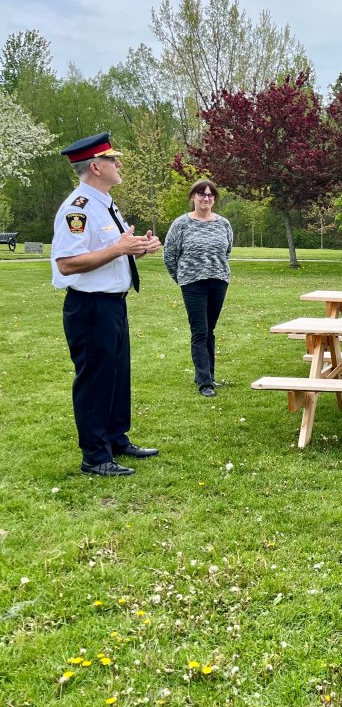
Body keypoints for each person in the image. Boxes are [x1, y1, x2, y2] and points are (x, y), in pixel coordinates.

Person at [51, 132, 162, 476]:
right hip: (90, 307)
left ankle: (115, 439)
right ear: (96, 167)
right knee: (96, 379)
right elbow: (66, 263)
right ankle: (95, 456)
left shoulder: (105, 204)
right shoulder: (78, 208)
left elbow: (110, 254)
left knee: (116, 374)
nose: (118, 165)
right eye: (113, 160)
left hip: (112, 304)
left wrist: (137, 248)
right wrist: (118, 249)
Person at [162, 179, 234, 398]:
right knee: (199, 331)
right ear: (193, 196)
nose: (206, 198)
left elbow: (226, 251)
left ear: (215, 199)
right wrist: (183, 278)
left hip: (218, 281)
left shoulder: (223, 224)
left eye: (210, 195)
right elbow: (169, 255)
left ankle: (208, 375)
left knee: (210, 330)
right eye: (201, 194)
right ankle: (204, 383)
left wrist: (216, 270)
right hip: (192, 284)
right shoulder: (181, 224)